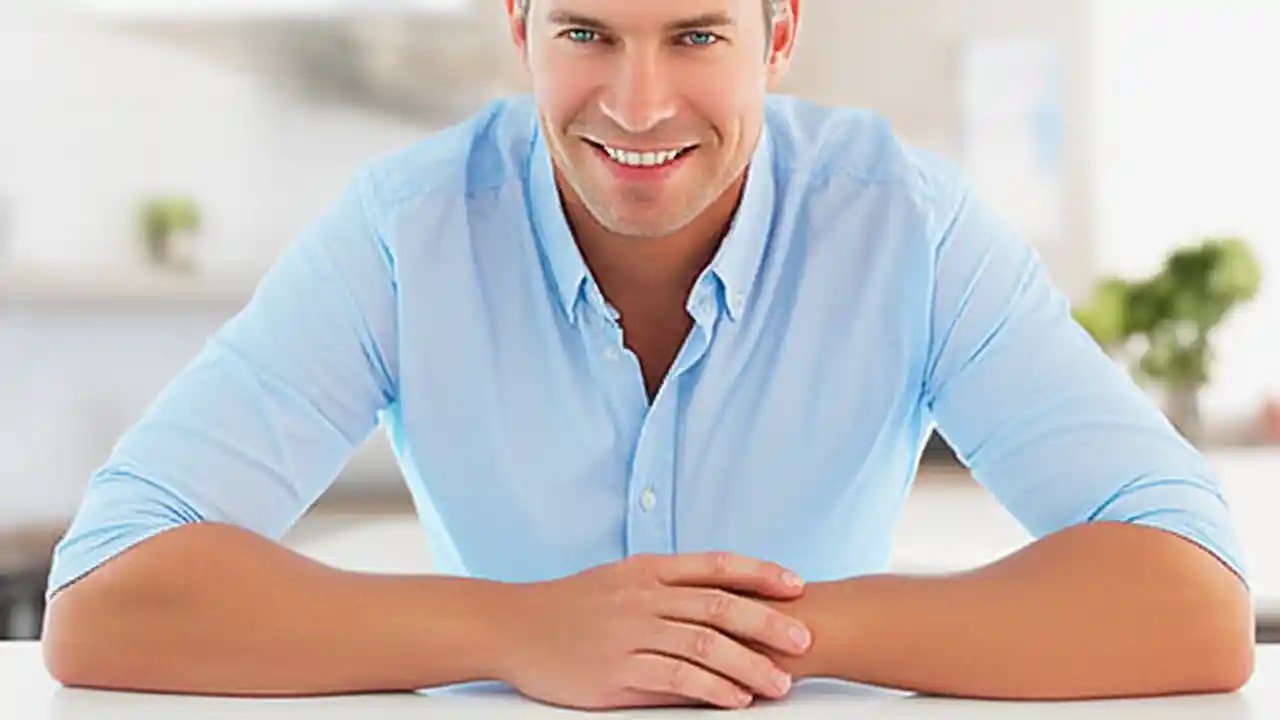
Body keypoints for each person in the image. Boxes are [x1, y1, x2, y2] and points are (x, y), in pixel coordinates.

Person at [41, 0, 1254, 710]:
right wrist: (522, 630)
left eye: (692, 35)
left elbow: (1190, 603)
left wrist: (736, 640)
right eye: (585, 31)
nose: (634, 103)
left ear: (777, 34)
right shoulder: (404, 229)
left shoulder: (905, 224)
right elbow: (103, 600)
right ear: (517, 25)